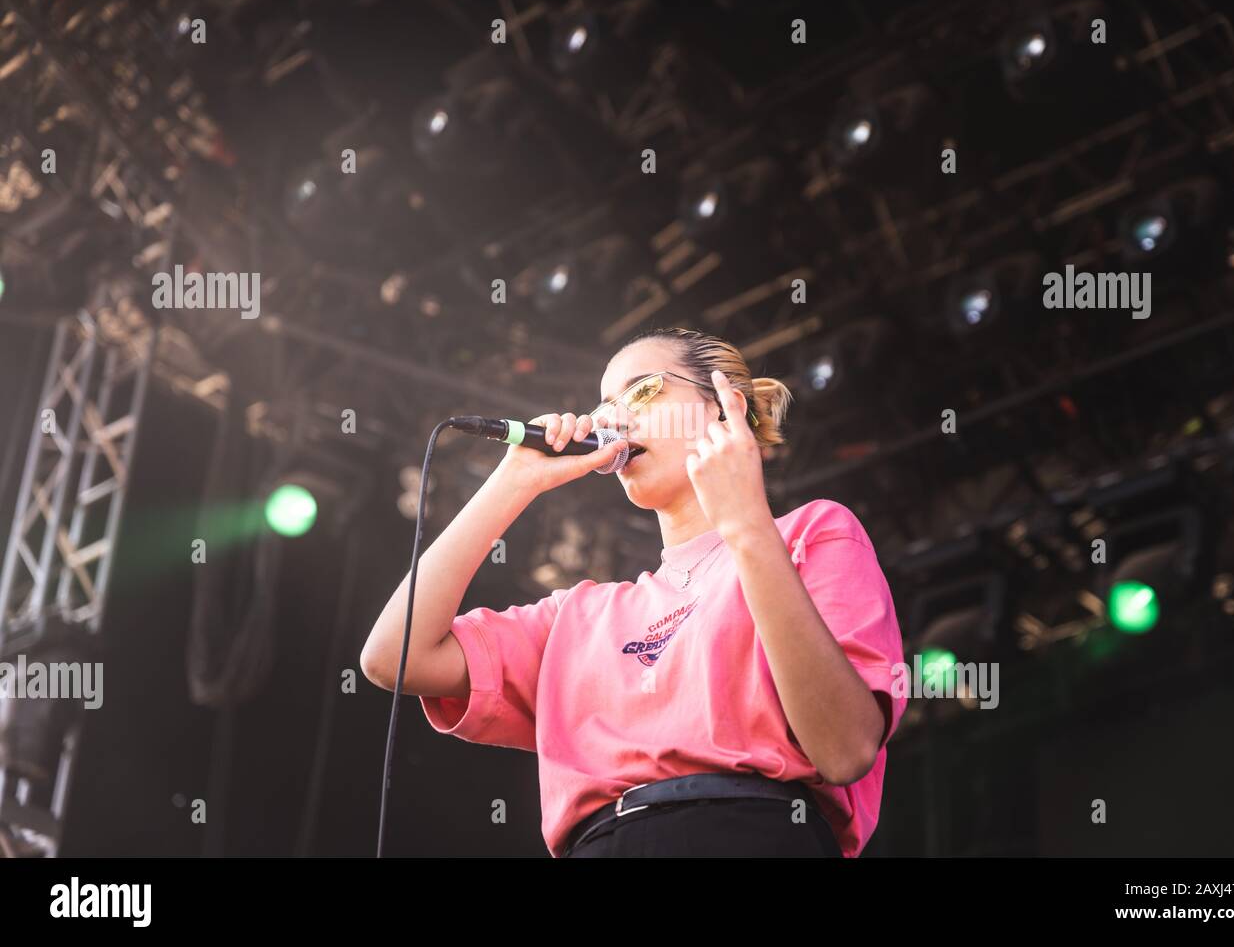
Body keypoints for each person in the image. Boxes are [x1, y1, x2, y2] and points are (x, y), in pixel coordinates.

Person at [361, 326, 906, 857]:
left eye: (642, 390)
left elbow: (845, 749)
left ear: (723, 407)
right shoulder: (579, 614)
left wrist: (745, 524)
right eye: (602, 407)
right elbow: (392, 657)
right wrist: (514, 482)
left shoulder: (810, 534)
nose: (613, 418)